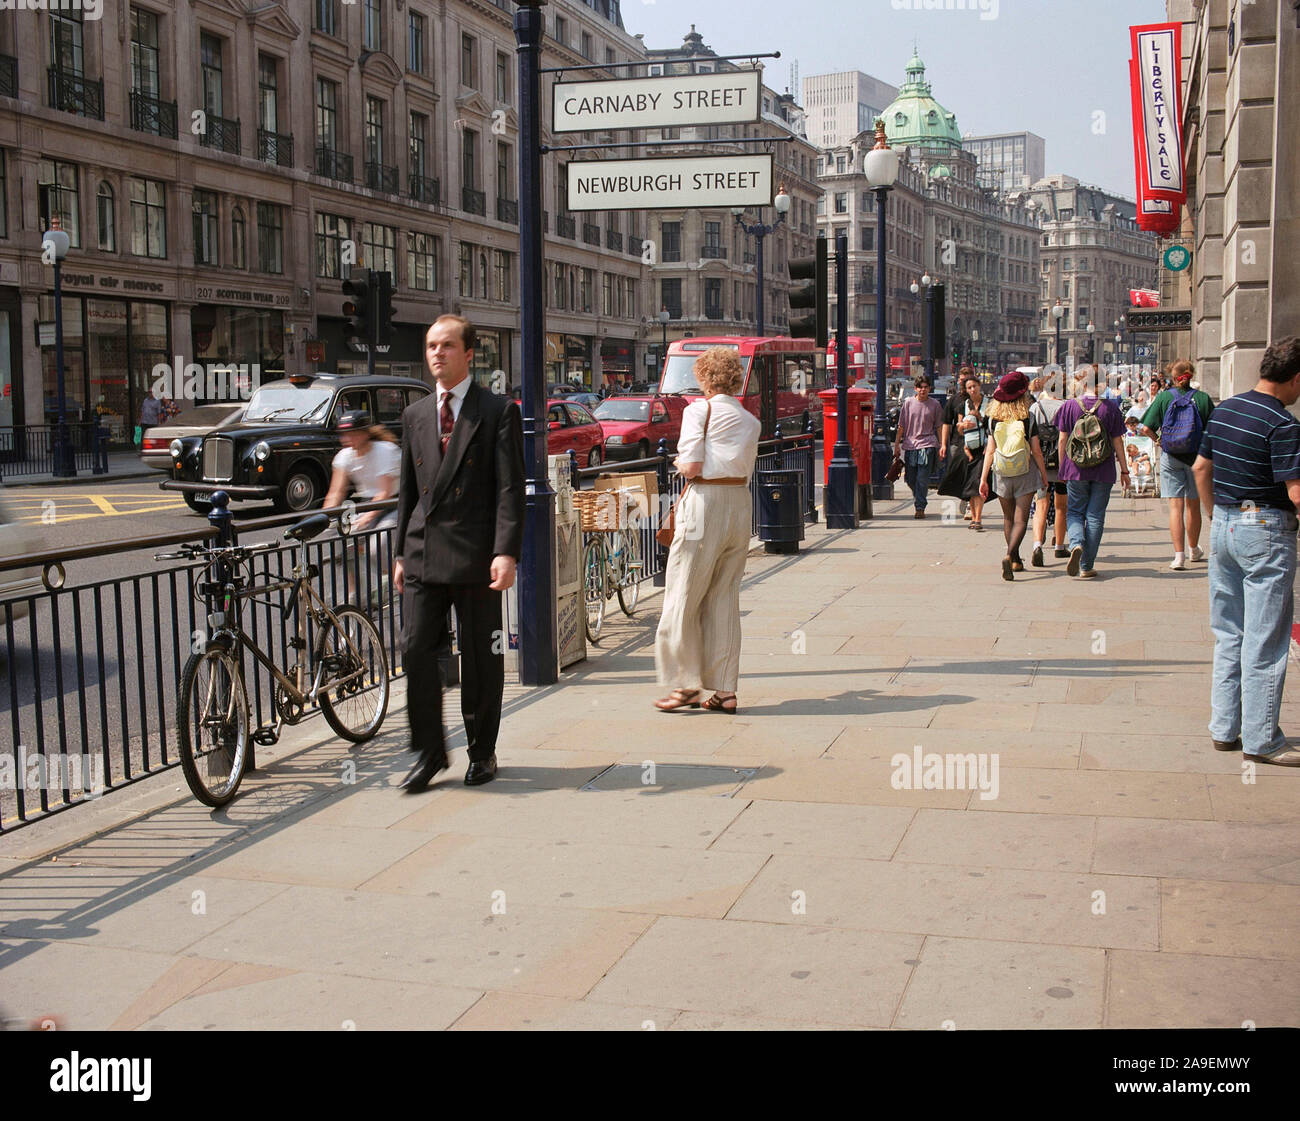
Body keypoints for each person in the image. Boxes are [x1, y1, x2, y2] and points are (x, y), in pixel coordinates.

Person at [394, 315, 525, 791]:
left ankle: (481, 751)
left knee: (480, 657)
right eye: (431, 345)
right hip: (423, 555)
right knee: (415, 651)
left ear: (469, 353)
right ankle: (430, 753)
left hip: (475, 556)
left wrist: (505, 552)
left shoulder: (496, 411)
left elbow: (510, 488)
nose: (436, 353)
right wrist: (399, 555)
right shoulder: (415, 415)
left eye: (447, 345)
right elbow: (407, 494)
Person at [1194, 336, 1300, 765]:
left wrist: (1217, 515)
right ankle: (1261, 740)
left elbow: (1201, 467)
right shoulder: (1284, 424)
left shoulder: (1225, 409)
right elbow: (1296, 492)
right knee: (1266, 639)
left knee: (1229, 633)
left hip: (1225, 525)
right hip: (1266, 532)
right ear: (1294, 378)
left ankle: (1224, 729)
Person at [654, 347, 760, 715]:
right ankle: (724, 691)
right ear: (734, 379)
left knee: (683, 592)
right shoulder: (750, 420)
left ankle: (684, 686)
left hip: (705, 502)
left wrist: (680, 462)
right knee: (723, 599)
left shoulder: (699, 410)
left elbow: (693, 464)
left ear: (703, 378)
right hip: (739, 503)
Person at [1054, 366, 1129, 578]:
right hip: (1103, 469)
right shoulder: (1111, 408)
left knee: (1075, 511)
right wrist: (1124, 470)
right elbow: (1117, 442)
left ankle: (1076, 543)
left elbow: (1062, 439)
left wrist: (1063, 468)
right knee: (1095, 516)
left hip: (1075, 468)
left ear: (1082, 383)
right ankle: (1086, 565)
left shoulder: (1069, 406)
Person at [1140, 359, 1214, 570]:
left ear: (1173, 377)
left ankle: (1178, 556)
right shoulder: (1202, 398)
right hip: (1196, 458)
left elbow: (1145, 428)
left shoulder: (1164, 397)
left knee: (1175, 506)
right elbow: (1212, 431)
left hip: (1171, 456)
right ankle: (1194, 549)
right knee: (1193, 506)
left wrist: (1159, 441)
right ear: (1191, 375)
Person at [324, 409, 401, 606]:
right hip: (367, 502)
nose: (347, 438)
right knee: (343, 543)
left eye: (353, 433)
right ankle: (355, 592)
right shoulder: (345, 456)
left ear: (365, 433)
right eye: (343, 434)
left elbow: (384, 493)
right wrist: (324, 518)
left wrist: (366, 518)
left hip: (394, 502)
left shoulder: (385, 450)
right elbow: (335, 492)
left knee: (378, 545)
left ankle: (396, 581)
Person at [980, 372, 1049, 580]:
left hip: (1001, 471)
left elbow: (990, 451)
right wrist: (1044, 476)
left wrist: (983, 479)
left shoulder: (993, 418)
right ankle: (1010, 555)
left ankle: (1016, 560)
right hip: (1025, 471)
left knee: (1008, 518)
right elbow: (1036, 451)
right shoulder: (1028, 417)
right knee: (1021, 520)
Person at [938, 371, 990, 530]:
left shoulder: (989, 404)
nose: (973, 389)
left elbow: (993, 425)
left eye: (974, 386)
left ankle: (978, 518)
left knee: (977, 483)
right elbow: (958, 428)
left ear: (979, 386)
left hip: (984, 449)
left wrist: (980, 419)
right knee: (969, 485)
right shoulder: (963, 405)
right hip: (967, 449)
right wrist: (963, 426)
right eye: (969, 387)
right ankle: (973, 517)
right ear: (966, 390)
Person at [1029, 375, 1069, 564]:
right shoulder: (1068, 407)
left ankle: (1037, 544)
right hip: (1062, 465)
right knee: (1061, 507)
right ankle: (1060, 547)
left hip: (1040, 464)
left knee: (1040, 505)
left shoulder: (1035, 407)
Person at [894, 375, 943, 518]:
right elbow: (901, 426)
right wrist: (897, 445)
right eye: (920, 387)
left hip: (927, 445)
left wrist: (941, 445)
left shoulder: (935, 404)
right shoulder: (908, 403)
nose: (923, 390)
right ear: (916, 389)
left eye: (926, 387)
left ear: (929, 388)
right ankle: (919, 496)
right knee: (910, 478)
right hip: (910, 446)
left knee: (922, 478)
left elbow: (939, 426)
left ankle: (920, 507)